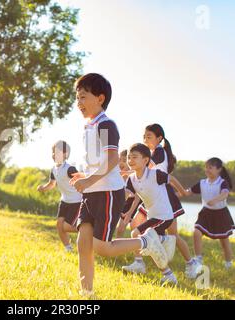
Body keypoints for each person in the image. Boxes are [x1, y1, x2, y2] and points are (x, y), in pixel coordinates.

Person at [70, 73, 168, 296]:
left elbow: (112, 159)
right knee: (83, 244)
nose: (79, 103)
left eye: (83, 97)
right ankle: (87, 294)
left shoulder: (105, 125)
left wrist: (89, 180)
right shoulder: (89, 126)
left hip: (107, 194)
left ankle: (145, 242)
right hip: (91, 192)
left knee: (102, 248)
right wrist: (84, 176)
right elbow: (97, 161)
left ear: (100, 98)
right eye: (77, 98)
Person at [122, 124, 199, 279]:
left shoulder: (158, 152)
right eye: (144, 136)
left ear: (159, 138)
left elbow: (149, 167)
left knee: (173, 235)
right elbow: (139, 183)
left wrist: (183, 191)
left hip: (164, 197)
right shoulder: (144, 158)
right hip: (151, 196)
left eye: (149, 136)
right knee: (136, 225)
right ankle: (139, 261)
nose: (145, 139)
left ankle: (191, 263)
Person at [121, 143, 185, 285]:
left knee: (136, 233)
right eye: (129, 158)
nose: (130, 160)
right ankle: (165, 241)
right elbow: (129, 195)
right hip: (153, 216)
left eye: (134, 157)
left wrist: (183, 192)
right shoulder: (132, 179)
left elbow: (172, 179)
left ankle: (145, 265)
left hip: (164, 216)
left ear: (145, 160)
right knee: (152, 242)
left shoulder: (155, 174)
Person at [182, 157, 235, 270]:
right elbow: (187, 192)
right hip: (206, 213)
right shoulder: (202, 183)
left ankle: (228, 263)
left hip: (221, 214)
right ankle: (198, 259)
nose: (207, 170)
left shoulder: (222, 182)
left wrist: (216, 200)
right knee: (196, 232)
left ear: (219, 169)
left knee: (224, 242)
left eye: (210, 167)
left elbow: (225, 194)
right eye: (206, 167)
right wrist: (173, 193)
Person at [37, 140, 82, 252]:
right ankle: (68, 248)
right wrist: (43, 188)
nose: (54, 154)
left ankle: (87, 230)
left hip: (76, 201)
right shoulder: (53, 169)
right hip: (64, 201)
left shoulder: (70, 169)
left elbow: (81, 181)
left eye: (57, 152)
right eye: (53, 152)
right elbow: (52, 184)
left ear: (65, 155)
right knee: (59, 225)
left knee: (66, 226)